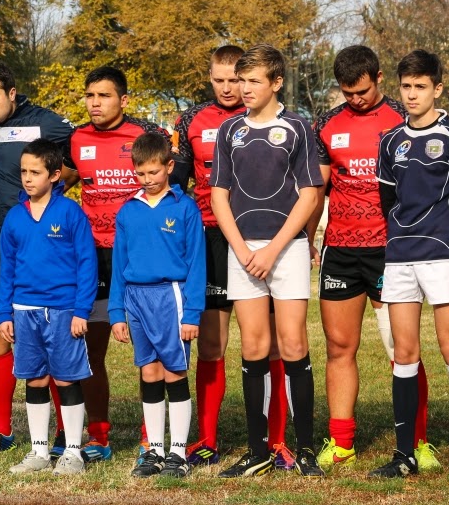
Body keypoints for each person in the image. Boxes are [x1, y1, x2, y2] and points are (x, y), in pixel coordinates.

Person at [171, 45, 289, 466]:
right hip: (210, 239)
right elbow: (176, 182)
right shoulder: (191, 121)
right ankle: (206, 439)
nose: (227, 88)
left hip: (262, 241)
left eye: (235, 80)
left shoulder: (272, 119)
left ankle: (277, 441)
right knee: (212, 344)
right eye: (218, 80)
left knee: (270, 343)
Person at [210, 43, 324, 478]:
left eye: (253, 81)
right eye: (240, 80)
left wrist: (274, 248)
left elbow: (310, 194)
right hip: (243, 251)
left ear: (276, 82)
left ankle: (307, 449)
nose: (243, 89)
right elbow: (219, 194)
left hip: (287, 250)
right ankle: (258, 451)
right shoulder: (229, 131)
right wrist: (241, 250)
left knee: (293, 344)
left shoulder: (297, 126)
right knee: (255, 346)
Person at [307, 45, 422, 472]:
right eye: (346, 92)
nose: (354, 99)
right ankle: (341, 442)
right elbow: (317, 190)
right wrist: (308, 239)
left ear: (377, 78)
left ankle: (418, 441)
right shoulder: (326, 124)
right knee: (339, 346)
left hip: (391, 250)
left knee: (402, 348)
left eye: (361, 90)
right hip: (340, 249)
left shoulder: (401, 119)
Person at [369, 50, 449, 481]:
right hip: (400, 256)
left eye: (421, 87)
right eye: (406, 87)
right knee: (405, 352)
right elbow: (387, 199)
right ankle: (403, 455)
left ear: (438, 88)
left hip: (446, 254)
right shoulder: (391, 140)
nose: (412, 95)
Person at [0, 63, 75, 457]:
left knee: (52, 343)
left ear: (12, 93)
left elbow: (76, 166)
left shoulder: (47, 124)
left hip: (42, 250)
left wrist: (51, 202)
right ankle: (2, 431)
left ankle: (66, 435)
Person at [64, 66, 169, 462]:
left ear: (123, 100)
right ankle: (99, 435)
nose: (95, 103)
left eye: (104, 96)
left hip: (137, 256)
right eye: (90, 95)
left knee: (150, 348)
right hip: (91, 258)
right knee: (90, 349)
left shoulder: (144, 137)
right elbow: (63, 183)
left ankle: (150, 437)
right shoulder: (76, 139)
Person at [0, 138, 97, 477]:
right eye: (24, 171)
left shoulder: (70, 212)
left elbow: (87, 263)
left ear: (54, 175)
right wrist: (4, 313)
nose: (27, 178)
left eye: (35, 172)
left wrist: (82, 311)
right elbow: (7, 267)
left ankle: (72, 451)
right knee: (35, 379)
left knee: (67, 379)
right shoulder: (13, 217)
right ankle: (38, 450)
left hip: (64, 311)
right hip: (24, 311)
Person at [111, 133, 205, 479]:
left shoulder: (184, 208)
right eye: (141, 174)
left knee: (174, 371)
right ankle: (154, 449)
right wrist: (117, 312)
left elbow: (197, 264)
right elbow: (120, 263)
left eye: (154, 172)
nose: (148, 180)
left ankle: (178, 452)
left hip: (172, 298)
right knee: (148, 371)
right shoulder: (128, 211)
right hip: (136, 298)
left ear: (169, 167)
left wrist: (192, 313)